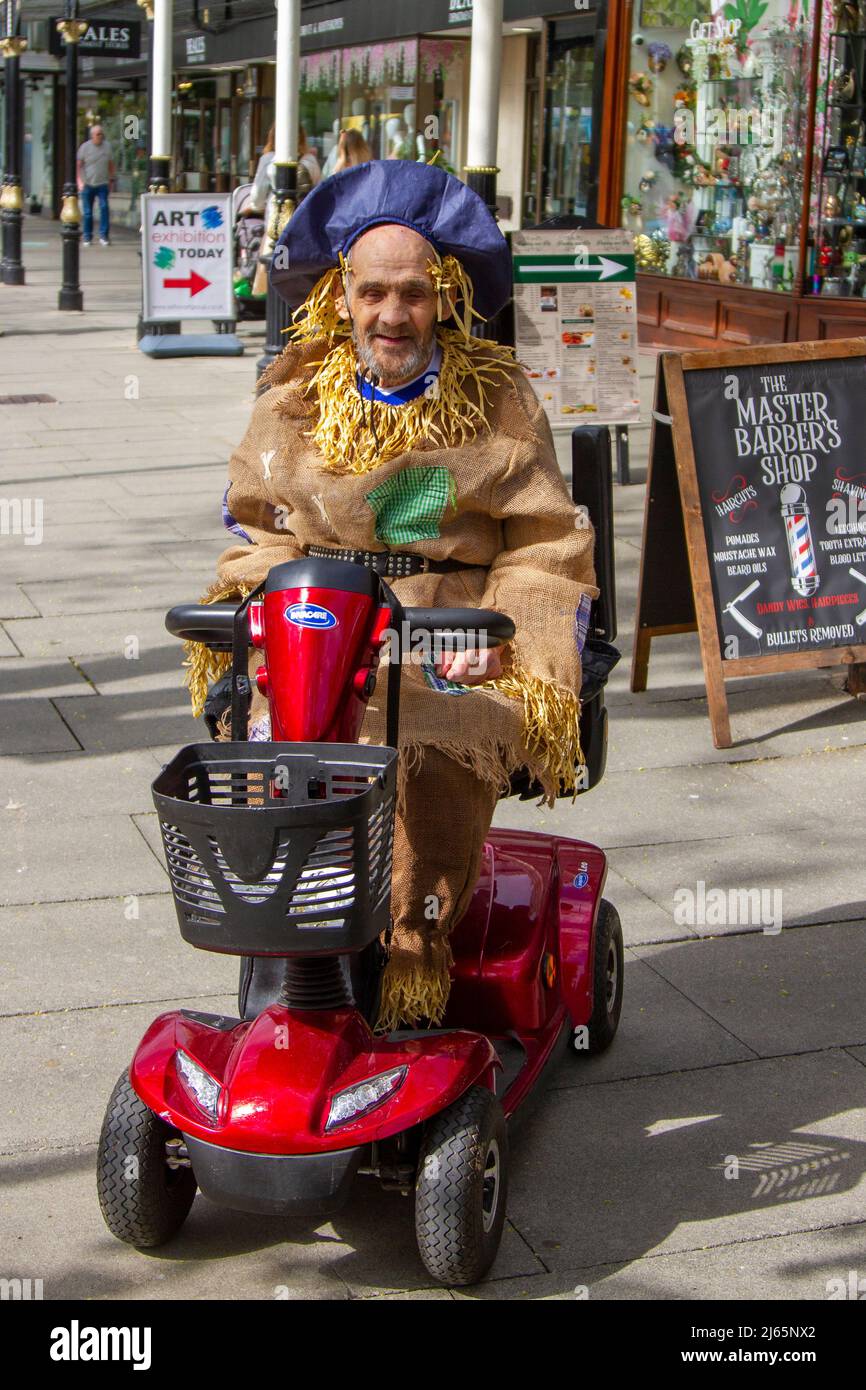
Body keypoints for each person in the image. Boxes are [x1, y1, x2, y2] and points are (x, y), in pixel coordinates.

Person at [185, 162, 597, 1031]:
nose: (393, 315)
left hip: (445, 633)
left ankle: (413, 939)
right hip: (316, 627)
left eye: (413, 292)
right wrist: (253, 603)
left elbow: (546, 544)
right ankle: (286, 940)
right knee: (265, 746)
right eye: (373, 293)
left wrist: (509, 640)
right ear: (342, 298)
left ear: (444, 295)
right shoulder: (294, 397)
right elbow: (259, 529)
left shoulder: (499, 401)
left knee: (425, 735)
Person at [76, 124, 115, 246]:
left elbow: (110, 164)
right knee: (88, 212)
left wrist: (111, 179)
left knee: (104, 208)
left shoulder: (107, 147)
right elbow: (79, 165)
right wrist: (79, 181)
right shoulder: (85, 147)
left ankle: (104, 236)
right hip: (88, 184)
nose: (100, 136)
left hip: (102, 183)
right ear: (92, 135)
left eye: (101, 133)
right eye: (98, 134)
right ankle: (87, 237)